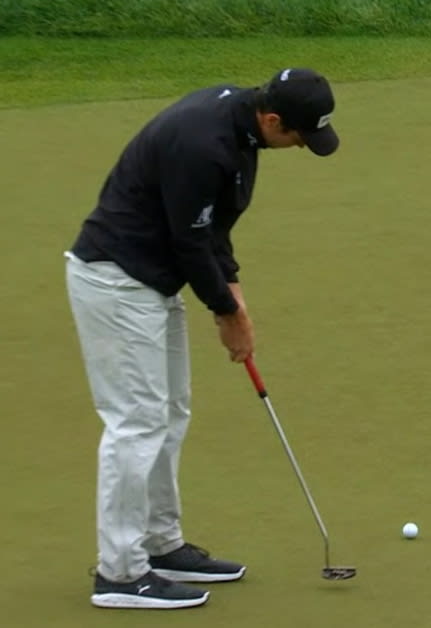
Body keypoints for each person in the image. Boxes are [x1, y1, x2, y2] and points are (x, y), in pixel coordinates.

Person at [64, 68, 340, 610]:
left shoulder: (242, 130)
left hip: (150, 281)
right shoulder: (203, 142)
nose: (300, 146)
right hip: (116, 281)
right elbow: (189, 242)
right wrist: (225, 312)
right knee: (136, 421)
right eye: (299, 137)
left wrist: (234, 296)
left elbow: (215, 230)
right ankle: (119, 573)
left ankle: (160, 544)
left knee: (171, 412)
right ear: (273, 119)